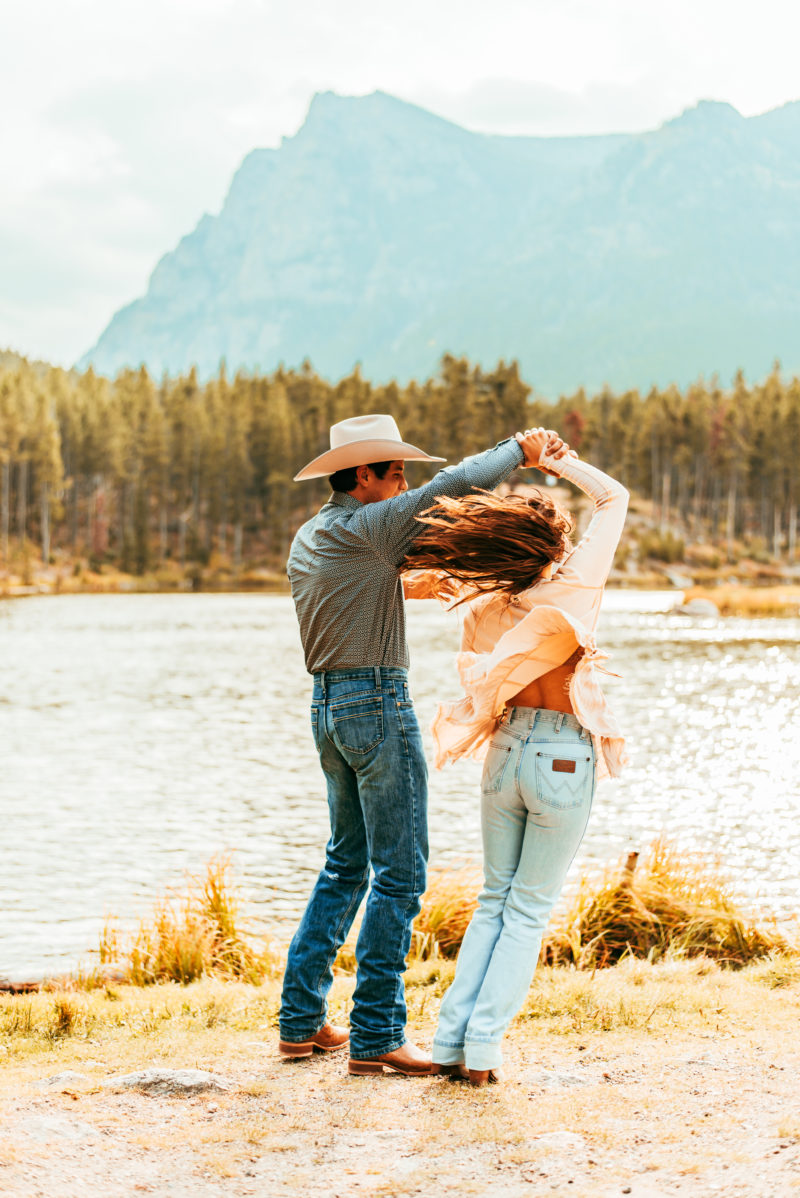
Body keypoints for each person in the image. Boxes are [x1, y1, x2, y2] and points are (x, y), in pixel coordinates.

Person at [278, 413, 569, 1077]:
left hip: (326, 709)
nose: (405, 483)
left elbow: (343, 588)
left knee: (345, 864)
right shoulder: (373, 527)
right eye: (395, 472)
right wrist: (520, 450)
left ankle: (299, 1021)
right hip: (378, 706)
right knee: (401, 874)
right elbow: (456, 485)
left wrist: (405, 582)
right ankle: (377, 1032)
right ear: (362, 476)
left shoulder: (314, 536)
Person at [402, 426, 629, 1085]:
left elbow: (463, 657)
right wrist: (565, 464)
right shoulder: (573, 588)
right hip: (561, 754)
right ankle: (483, 1054)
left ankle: (449, 1045)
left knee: (494, 900)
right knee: (527, 909)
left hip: (503, 752)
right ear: (553, 546)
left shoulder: (484, 601)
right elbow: (613, 500)